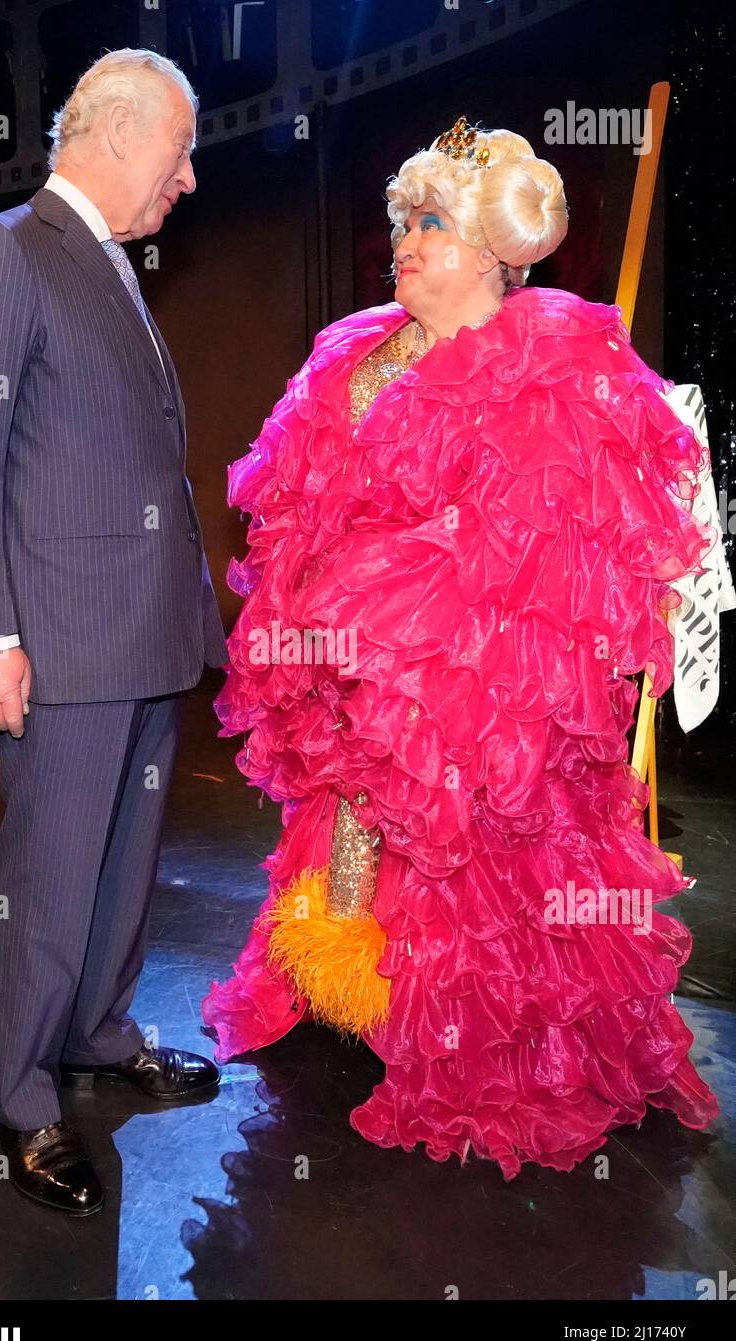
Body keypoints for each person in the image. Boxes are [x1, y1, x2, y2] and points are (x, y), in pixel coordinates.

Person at [202, 117, 720, 1181]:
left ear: (489, 247)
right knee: (352, 818)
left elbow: (584, 538)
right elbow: (302, 501)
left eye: (429, 222)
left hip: (491, 680)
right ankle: (356, 984)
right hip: (358, 665)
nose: (405, 242)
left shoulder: (553, 360)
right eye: (402, 221)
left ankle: (480, 1032)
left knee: (480, 849)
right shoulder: (355, 349)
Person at [0, 49, 226, 1216]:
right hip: (58, 639)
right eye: (182, 149)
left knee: (123, 865)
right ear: (119, 130)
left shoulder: (107, 265)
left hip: (140, 637)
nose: (189, 178)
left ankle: (97, 1030)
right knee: (47, 878)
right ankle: (22, 1096)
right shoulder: (2, 253)